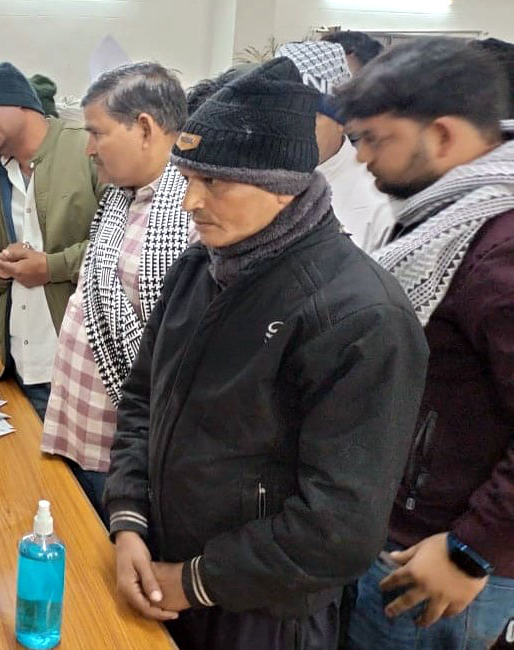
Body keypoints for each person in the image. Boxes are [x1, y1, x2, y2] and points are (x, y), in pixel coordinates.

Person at [103, 58, 429, 650]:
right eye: (188, 178)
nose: (190, 203)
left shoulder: (360, 317)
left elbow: (340, 527)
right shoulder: (197, 271)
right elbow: (143, 399)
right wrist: (128, 521)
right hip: (163, 576)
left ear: (285, 186)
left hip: (262, 614)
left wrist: (198, 580)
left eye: (216, 183)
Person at [335, 38, 514, 650]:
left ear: (440, 135)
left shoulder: (500, 248)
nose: (359, 158)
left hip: (442, 553)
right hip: (401, 523)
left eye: (373, 139)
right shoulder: (443, 220)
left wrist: (471, 549)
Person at [40, 63, 193, 522]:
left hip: (128, 454)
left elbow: (173, 358)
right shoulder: (119, 197)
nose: (88, 149)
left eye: (97, 133)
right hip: (81, 430)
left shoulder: (190, 212)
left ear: (144, 128)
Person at [0, 61, 100, 419]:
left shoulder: (86, 148)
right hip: (18, 368)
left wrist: (51, 267)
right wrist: (0, 266)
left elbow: (126, 244)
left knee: (87, 478)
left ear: (19, 102)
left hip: (81, 372)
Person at [278, 41, 395, 251]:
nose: (291, 126)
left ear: (342, 120)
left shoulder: (378, 201)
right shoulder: (250, 181)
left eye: (310, 116)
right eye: (280, 114)